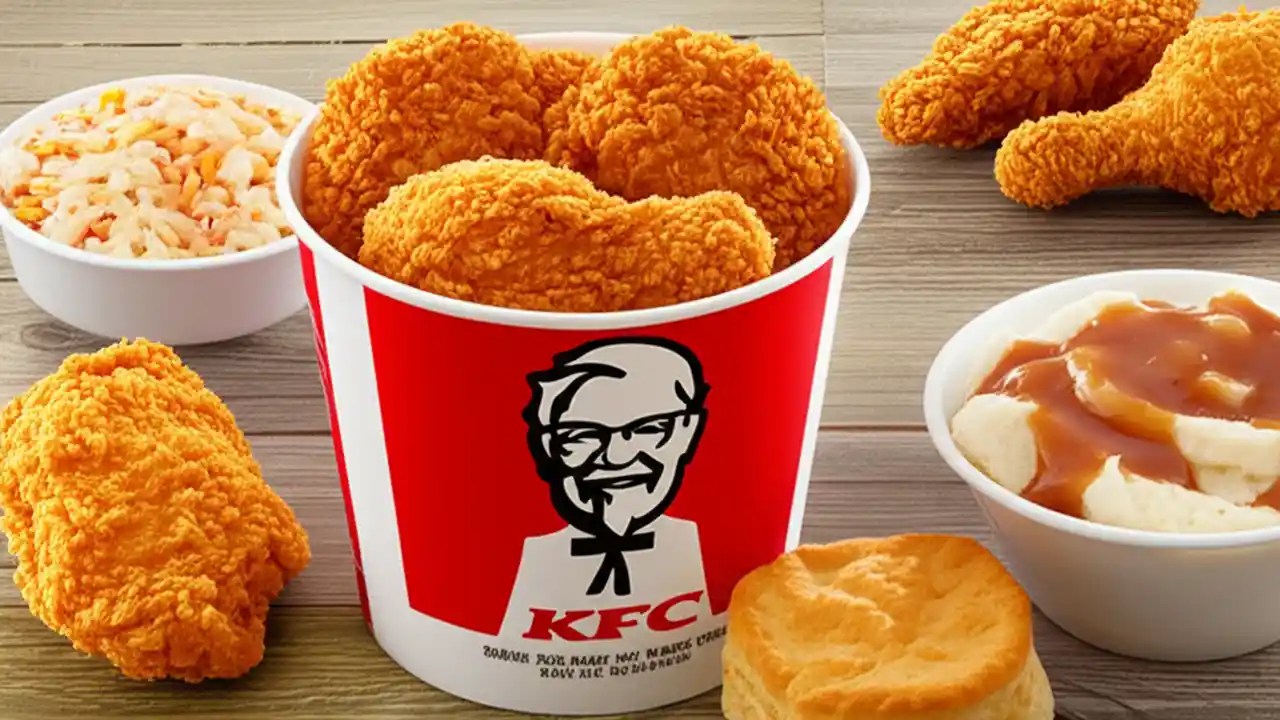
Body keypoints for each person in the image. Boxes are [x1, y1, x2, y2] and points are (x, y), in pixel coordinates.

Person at [500, 337, 713, 640]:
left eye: (649, 429)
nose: (617, 457)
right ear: (548, 447)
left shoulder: (707, 548)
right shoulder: (534, 558)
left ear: (688, 432)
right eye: (582, 435)